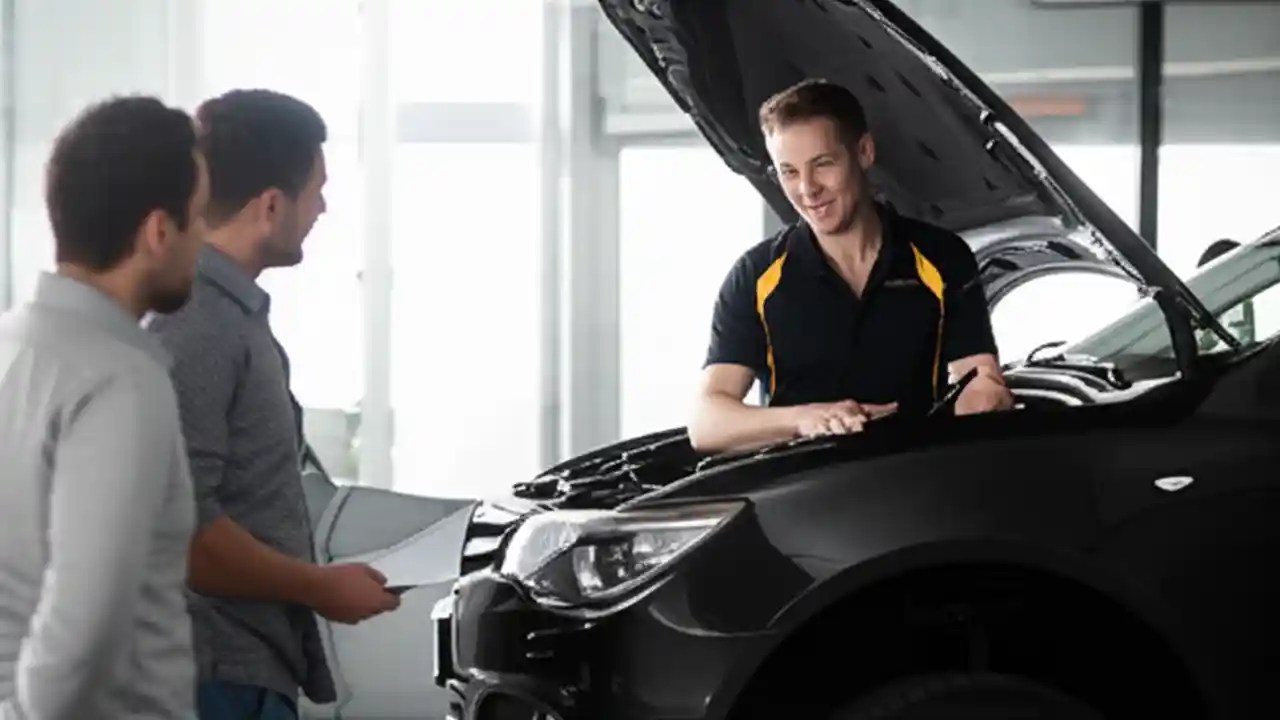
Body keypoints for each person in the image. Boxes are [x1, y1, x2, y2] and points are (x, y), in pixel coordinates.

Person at [146, 89, 400, 720]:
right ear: (269, 206)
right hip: (210, 677)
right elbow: (180, 531)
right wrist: (318, 586)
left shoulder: (228, 316)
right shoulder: (197, 322)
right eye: (316, 189)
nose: (321, 208)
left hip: (236, 670)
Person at [0, 96, 208, 718]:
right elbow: (80, 638)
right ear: (158, 232)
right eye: (198, 220)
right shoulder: (119, 381)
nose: (204, 243)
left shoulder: (12, 345)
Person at [690, 78, 1013, 453]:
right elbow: (706, 423)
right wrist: (806, 419)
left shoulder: (942, 257)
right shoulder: (756, 276)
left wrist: (986, 396)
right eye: (789, 172)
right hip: (799, 497)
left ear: (864, 151)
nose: (808, 189)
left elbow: (978, 376)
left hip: (921, 484)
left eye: (822, 164)